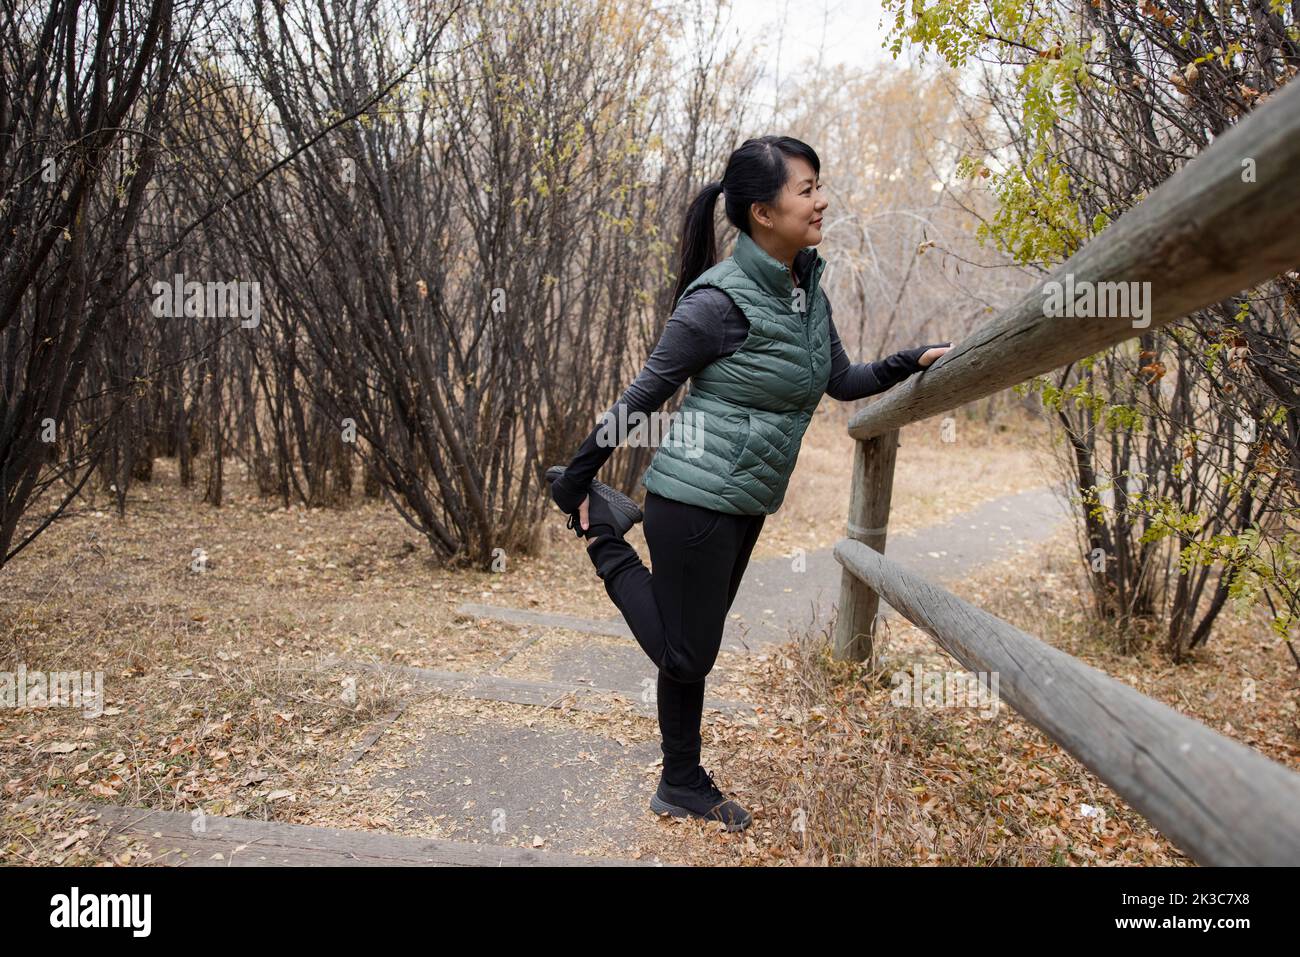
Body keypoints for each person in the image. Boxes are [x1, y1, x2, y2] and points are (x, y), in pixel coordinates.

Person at [546, 135, 952, 832]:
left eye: (818, 184)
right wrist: (577, 482)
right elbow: (643, 395)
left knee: (688, 647)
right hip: (693, 498)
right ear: (763, 212)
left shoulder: (804, 287)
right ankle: (602, 532)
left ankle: (681, 782)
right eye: (806, 189)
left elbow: (838, 380)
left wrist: (910, 361)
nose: (821, 200)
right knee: (685, 650)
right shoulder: (717, 301)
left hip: (744, 501)